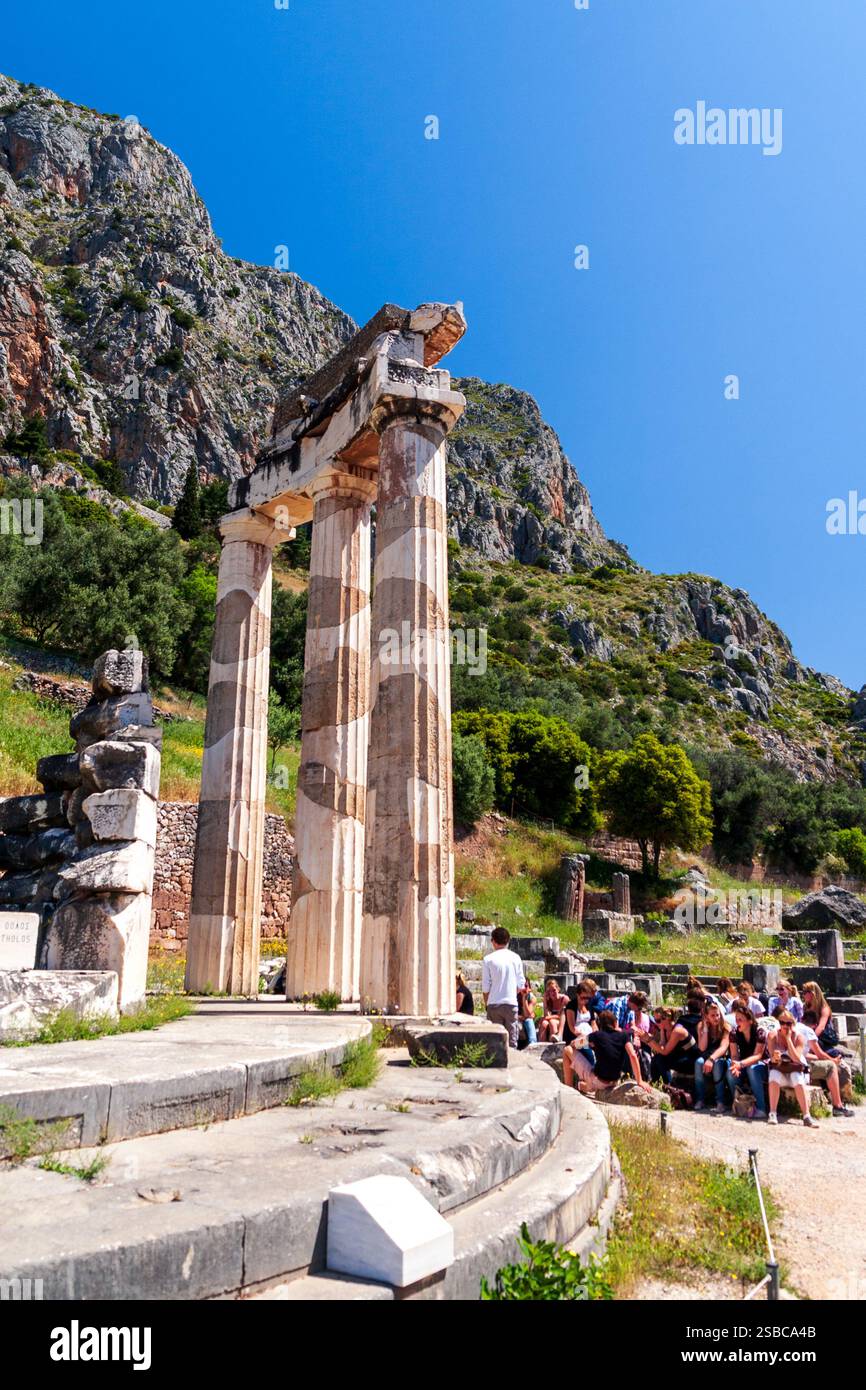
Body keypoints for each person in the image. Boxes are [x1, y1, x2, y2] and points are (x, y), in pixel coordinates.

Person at [563, 1009, 652, 1094]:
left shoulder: (597, 1035)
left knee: (567, 1050)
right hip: (614, 1082)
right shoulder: (624, 1036)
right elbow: (632, 1055)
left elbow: (575, 1045)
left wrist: (578, 1041)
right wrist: (639, 1081)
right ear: (615, 1023)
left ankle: (568, 1088)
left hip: (598, 1081)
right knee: (590, 1082)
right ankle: (580, 1086)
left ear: (600, 1025)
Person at [764, 1010, 815, 1126]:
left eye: (788, 1024)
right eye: (782, 1023)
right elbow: (771, 1058)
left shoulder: (799, 1037)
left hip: (795, 1070)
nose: (785, 1026)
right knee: (773, 1075)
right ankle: (772, 1113)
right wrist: (775, 1056)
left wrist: (788, 1039)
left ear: (793, 1024)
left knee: (796, 1077)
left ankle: (806, 1115)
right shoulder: (773, 1035)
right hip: (780, 1070)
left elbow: (796, 1058)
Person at [799, 1009, 853, 1117]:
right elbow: (820, 1054)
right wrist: (833, 1060)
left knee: (825, 1063)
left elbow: (803, 1053)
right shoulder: (808, 1031)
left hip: (789, 1063)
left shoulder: (795, 1026)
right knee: (831, 1067)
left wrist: (818, 1058)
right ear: (815, 1025)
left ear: (802, 1019)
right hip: (800, 1067)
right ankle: (838, 1106)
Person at [482, 926, 525, 1049]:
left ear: (493, 941)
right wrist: (511, 993)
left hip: (494, 1003)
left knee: (494, 1041)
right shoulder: (515, 958)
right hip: (511, 1003)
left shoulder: (488, 959)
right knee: (512, 1042)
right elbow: (521, 984)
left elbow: (486, 987)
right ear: (508, 940)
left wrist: (487, 1003)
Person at [726, 1001, 769, 1118]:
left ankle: (761, 1108)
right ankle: (737, 1102)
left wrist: (741, 1064)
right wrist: (736, 1065)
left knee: (752, 1069)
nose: (737, 1022)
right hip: (742, 1063)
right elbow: (734, 1054)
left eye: (740, 1019)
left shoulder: (760, 1032)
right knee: (730, 1072)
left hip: (760, 1064)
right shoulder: (734, 1033)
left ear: (750, 1021)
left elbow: (758, 1055)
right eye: (736, 1019)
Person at [694, 1000, 732, 1112]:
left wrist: (711, 1059)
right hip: (706, 1056)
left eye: (717, 1015)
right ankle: (700, 1099)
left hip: (721, 1057)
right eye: (712, 1015)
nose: (716, 1018)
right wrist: (705, 1028)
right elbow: (702, 1048)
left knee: (718, 1065)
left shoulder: (726, 1027)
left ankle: (720, 1101)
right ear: (706, 1016)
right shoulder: (701, 1026)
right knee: (698, 1062)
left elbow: (723, 1047)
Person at [647, 1006, 698, 1084]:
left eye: (658, 1020)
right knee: (656, 1059)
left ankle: (669, 1086)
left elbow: (664, 1051)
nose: (656, 1023)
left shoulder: (677, 1031)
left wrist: (648, 1040)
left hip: (690, 1060)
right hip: (679, 1056)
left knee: (661, 1059)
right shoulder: (664, 1028)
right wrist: (661, 1030)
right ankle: (655, 1084)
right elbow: (662, 1046)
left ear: (666, 1019)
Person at [800, 982, 841, 1055]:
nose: (803, 995)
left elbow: (821, 1027)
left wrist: (810, 1039)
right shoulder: (806, 1007)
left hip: (822, 1037)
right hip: (810, 1034)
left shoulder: (824, 1008)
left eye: (805, 992)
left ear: (812, 993)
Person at [517, 977, 538, 1046]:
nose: (524, 988)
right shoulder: (514, 996)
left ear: (529, 988)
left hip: (525, 1018)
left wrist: (524, 998)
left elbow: (527, 1014)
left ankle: (532, 1043)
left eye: (526, 986)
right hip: (516, 1018)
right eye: (522, 986)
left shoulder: (532, 998)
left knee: (529, 1020)